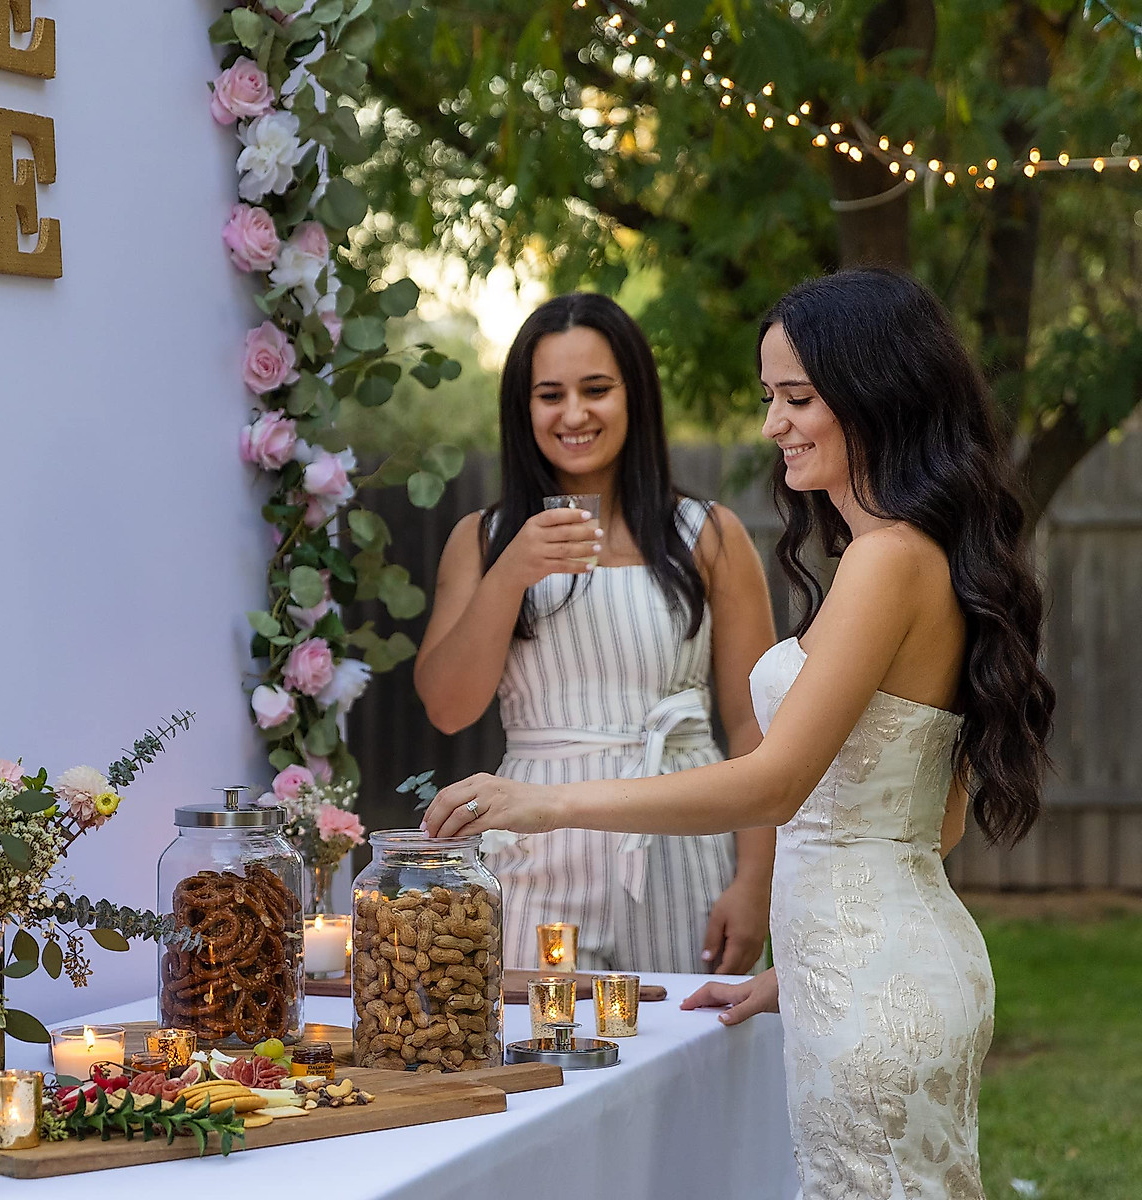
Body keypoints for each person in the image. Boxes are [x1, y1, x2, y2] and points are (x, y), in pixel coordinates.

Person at [422, 269, 1055, 1199]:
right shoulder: (924, 553)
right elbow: (927, 826)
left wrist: (545, 799)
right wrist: (797, 972)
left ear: (876, 393)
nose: (772, 426)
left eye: (797, 399)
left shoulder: (885, 561)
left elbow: (774, 782)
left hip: (877, 993)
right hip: (887, 969)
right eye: (771, 399)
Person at [414, 292, 777, 975]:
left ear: (634, 395)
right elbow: (448, 706)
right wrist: (510, 573)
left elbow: (756, 724)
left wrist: (754, 881)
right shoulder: (483, 540)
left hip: (680, 832)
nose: (574, 414)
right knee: (535, 1062)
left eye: (597, 389)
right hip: (531, 846)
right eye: (550, 394)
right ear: (523, 409)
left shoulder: (709, 535)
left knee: (681, 1059)